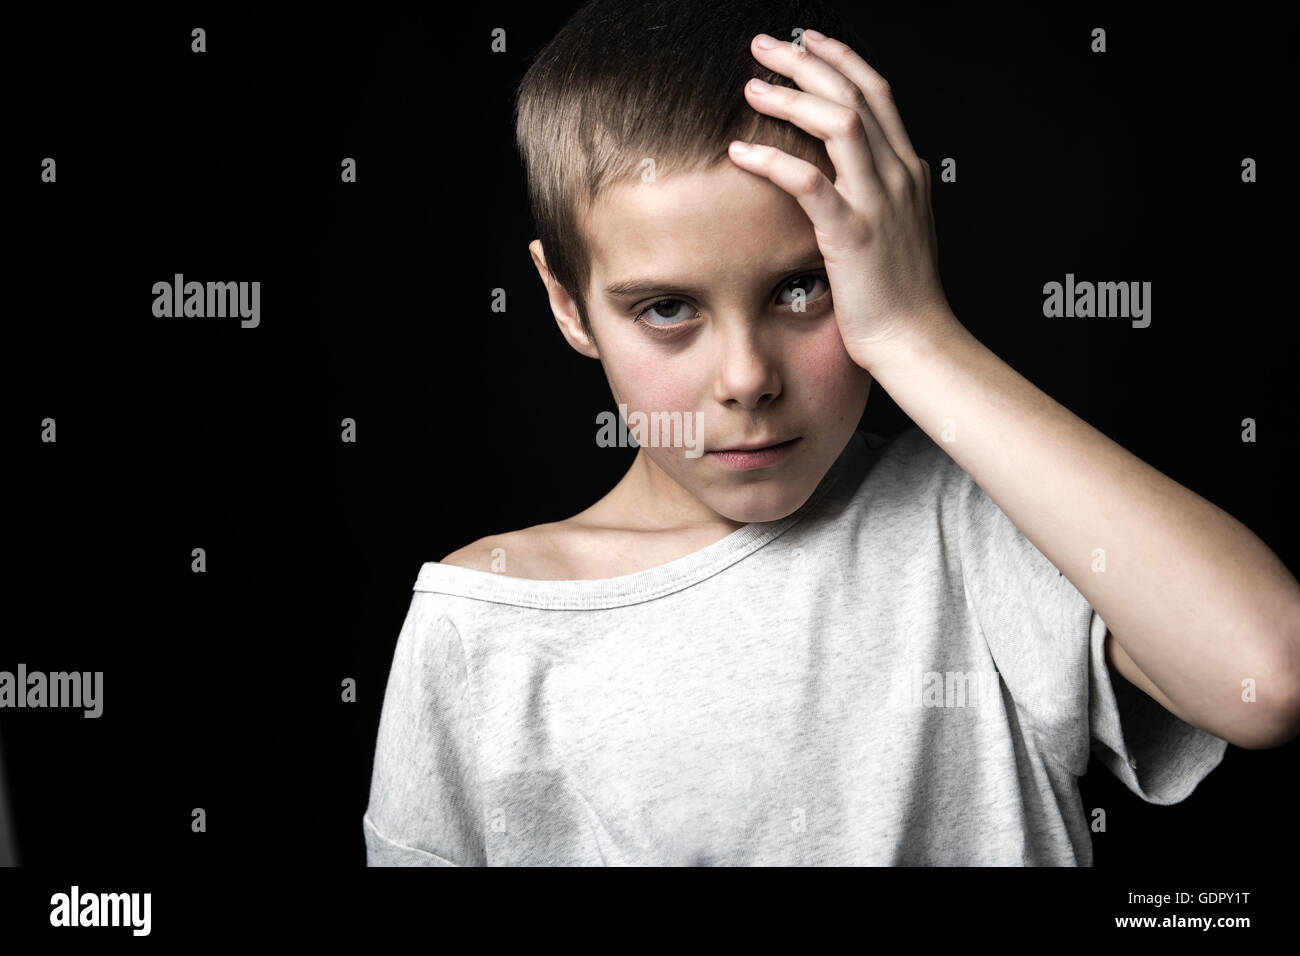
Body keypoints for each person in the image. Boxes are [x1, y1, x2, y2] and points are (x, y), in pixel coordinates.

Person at [363, 0, 1300, 865]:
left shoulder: (981, 527)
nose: (745, 379)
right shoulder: (481, 624)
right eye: (664, 308)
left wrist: (913, 334)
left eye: (801, 288)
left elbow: (1270, 673)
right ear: (567, 304)